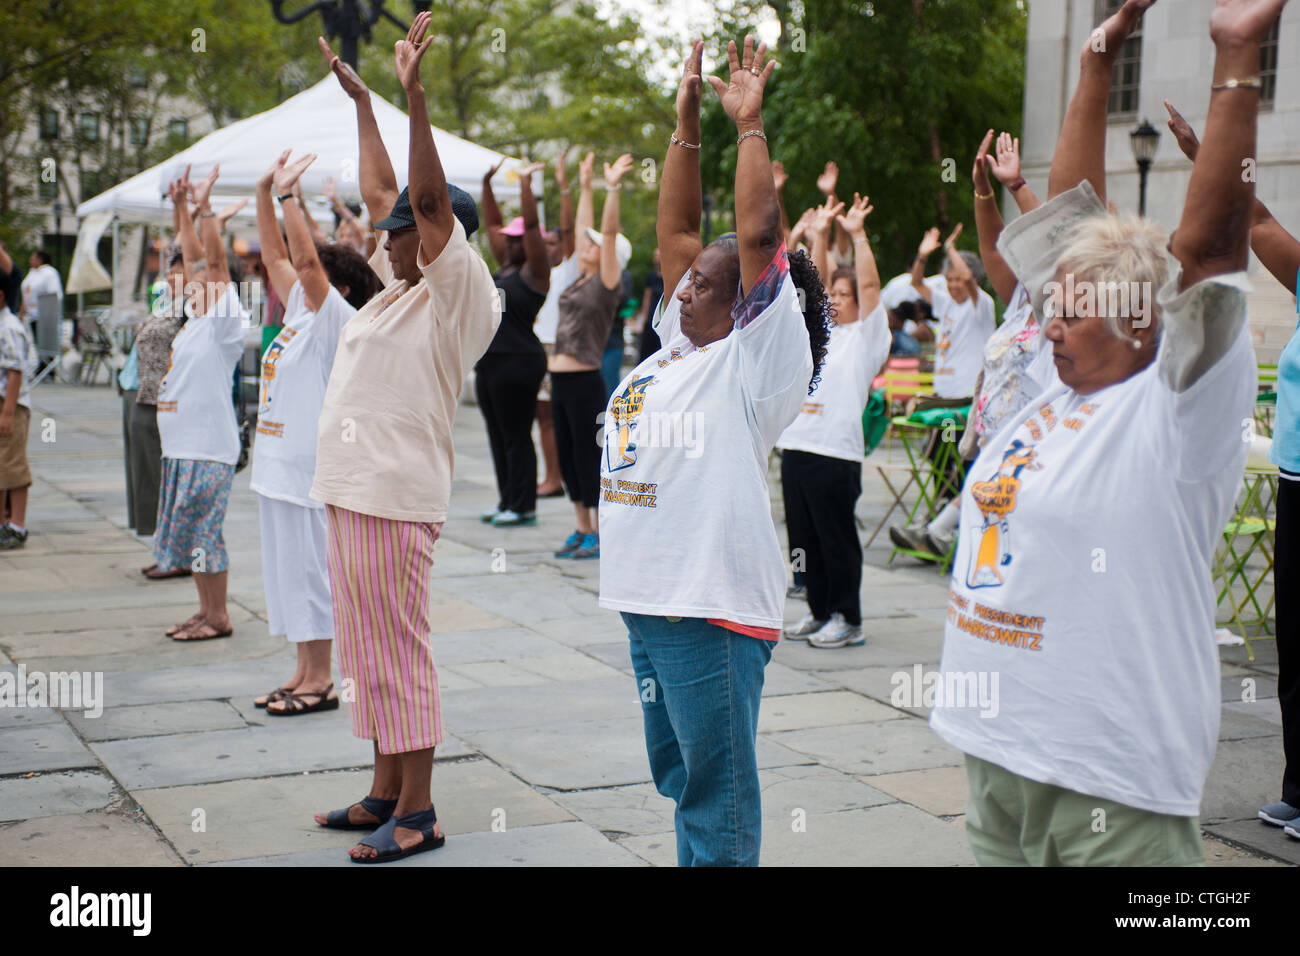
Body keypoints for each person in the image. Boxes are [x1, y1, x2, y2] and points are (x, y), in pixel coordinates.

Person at [930, 0, 1274, 866]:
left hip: (1108, 781)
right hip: (1000, 756)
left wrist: (1237, 58)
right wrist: (1095, 61)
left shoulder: (1174, 410)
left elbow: (1211, 252)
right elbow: (1078, 210)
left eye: (1073, 312)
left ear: (1141, 324)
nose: (1047, 325)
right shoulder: (1056, 382)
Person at [599, 37, 829, 866]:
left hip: (710, 608)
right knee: (680, 777)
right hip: (648, 598)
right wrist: (685, 123)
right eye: (685, 278)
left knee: (716, 790)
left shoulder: (754, 361)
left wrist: (749, 126)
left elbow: (760, 236)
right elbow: (679, 229)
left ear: (751, 309)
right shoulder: (675, 347)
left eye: (704, 283)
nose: (682, 285)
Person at [309, 15, 499, 863]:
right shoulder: (398, 287)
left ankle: (417, 813)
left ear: (437, 238)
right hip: (353, 490)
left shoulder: (458, 292)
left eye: (401, 235)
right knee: (368, 651)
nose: (384, 240)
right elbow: (388, 186)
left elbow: (418, 197)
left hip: (393, 497)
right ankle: (385, 789)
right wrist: (365, 103)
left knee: (399, 652)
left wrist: (417, 96)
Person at [1164, 98, 1300, 838]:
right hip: (1296, 481)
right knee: (1296, 644)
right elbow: (1260, 226)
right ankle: (1298, 786)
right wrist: (1203, 158)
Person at [249, 148, 379, 715]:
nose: (301, 279)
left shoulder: (337, 322)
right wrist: (262, 193)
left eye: (317, 276)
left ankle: (321, 680)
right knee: (287, 579)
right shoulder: (302, 314)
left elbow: (302, 264)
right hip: (276, 470)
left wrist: (288, 199)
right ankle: (302, 670)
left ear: (339, 288)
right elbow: (279, 256)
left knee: (311, 577)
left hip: (309, 473)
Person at [890, 130, 1046, 559]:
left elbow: (1041, 247)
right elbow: (994, 248)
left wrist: (1014, 187)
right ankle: (942, 529)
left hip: (1029, 446)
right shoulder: (1018, 301)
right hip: (990, 434)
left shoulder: (1050, 305)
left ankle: (940, 528)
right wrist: (982, 192)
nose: (1022, 261)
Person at [780, 190, 891, 648]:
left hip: (835, 454)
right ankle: (819, 610)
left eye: (846, 295)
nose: (840, 299)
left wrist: (858, 236)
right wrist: (817, 234)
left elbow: (869, 289)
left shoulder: (866, 339)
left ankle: (848, 617)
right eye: (836, 295)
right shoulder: (820, 335)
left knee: (835, 539)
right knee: (803, 541)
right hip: (799, 447)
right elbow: (815, 281)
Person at [152, 165, 247, 639]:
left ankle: (220, 616)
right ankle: (205, 609)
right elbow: (192, 258)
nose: (187, 281)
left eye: (197, 281)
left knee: (206, 534)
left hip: (209, 450)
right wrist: (181, 208)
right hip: (183, 449)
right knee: (193, 535)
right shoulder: (192, 322)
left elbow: (212, 265)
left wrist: (206, 208)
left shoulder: (223, 322)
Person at [549, 149, 633, 561]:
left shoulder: (605, 284)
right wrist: (584, 185)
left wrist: (611, 187)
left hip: (585, 382)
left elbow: (607, 234)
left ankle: (600, 533)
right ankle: (581, 529)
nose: (588, 244)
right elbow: (584, 229)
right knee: (567, 457)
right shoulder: (578, 277)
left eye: (597, 245)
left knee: (587, 458)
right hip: (560, 383)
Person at [477, 158, 551, 527]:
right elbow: (491, 223)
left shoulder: (535, 272)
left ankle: (523, 505)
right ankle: (507, 499)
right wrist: (486, 185)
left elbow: (534, 225)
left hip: (519, 361)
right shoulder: (504, 266)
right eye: (510, 237)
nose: (509, 239)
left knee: (516, 434)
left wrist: (525, 185)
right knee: (496, 434)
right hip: (491, 360)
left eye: (517, 237)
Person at [910, 225, 995, 399]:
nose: (953, 285)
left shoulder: (981, 302)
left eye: (958, 280)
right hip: (943, 391)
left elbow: (968, 278)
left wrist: (949, 248)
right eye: (949, 279)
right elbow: (917, 283)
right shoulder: (946, 302)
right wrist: (922, 256)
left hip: (968, 394)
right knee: (944, 427)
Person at [534, 150, 576, 499]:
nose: (546, 247)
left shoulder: (568, 271)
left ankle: (556, 478)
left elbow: (570, 227)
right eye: (543, 242)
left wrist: (564, 188)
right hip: (539, 348)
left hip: (556, 348)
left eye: (553, 242)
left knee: (551, 419)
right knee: (542, 418)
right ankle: (553, 475)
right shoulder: (538, 273)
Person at [0, 283, 37, 550]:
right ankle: (3, 521)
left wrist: (8, 413)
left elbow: (15, 370)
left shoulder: (9, 326)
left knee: (12, 464)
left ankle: (17, 525)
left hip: (9, 404)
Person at [20, 249, 62, 343]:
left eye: (32, 258)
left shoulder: (49, 273)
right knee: (36, 345)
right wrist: (21, 313)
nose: (30, 261)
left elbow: (54, 295)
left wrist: (48, 316)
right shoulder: (32, 273)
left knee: (45, 346)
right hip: (31, 316)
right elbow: (27, 294)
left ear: (40, 259)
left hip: (43, 317)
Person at [634, 248, 665, 365]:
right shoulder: (651, 275)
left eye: (659, 256)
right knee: (645, 350)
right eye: (655, 256)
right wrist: (643, 318)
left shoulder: (668, 276)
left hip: (662, 318)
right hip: (650, 318)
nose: (657, 259)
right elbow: (647, 297)